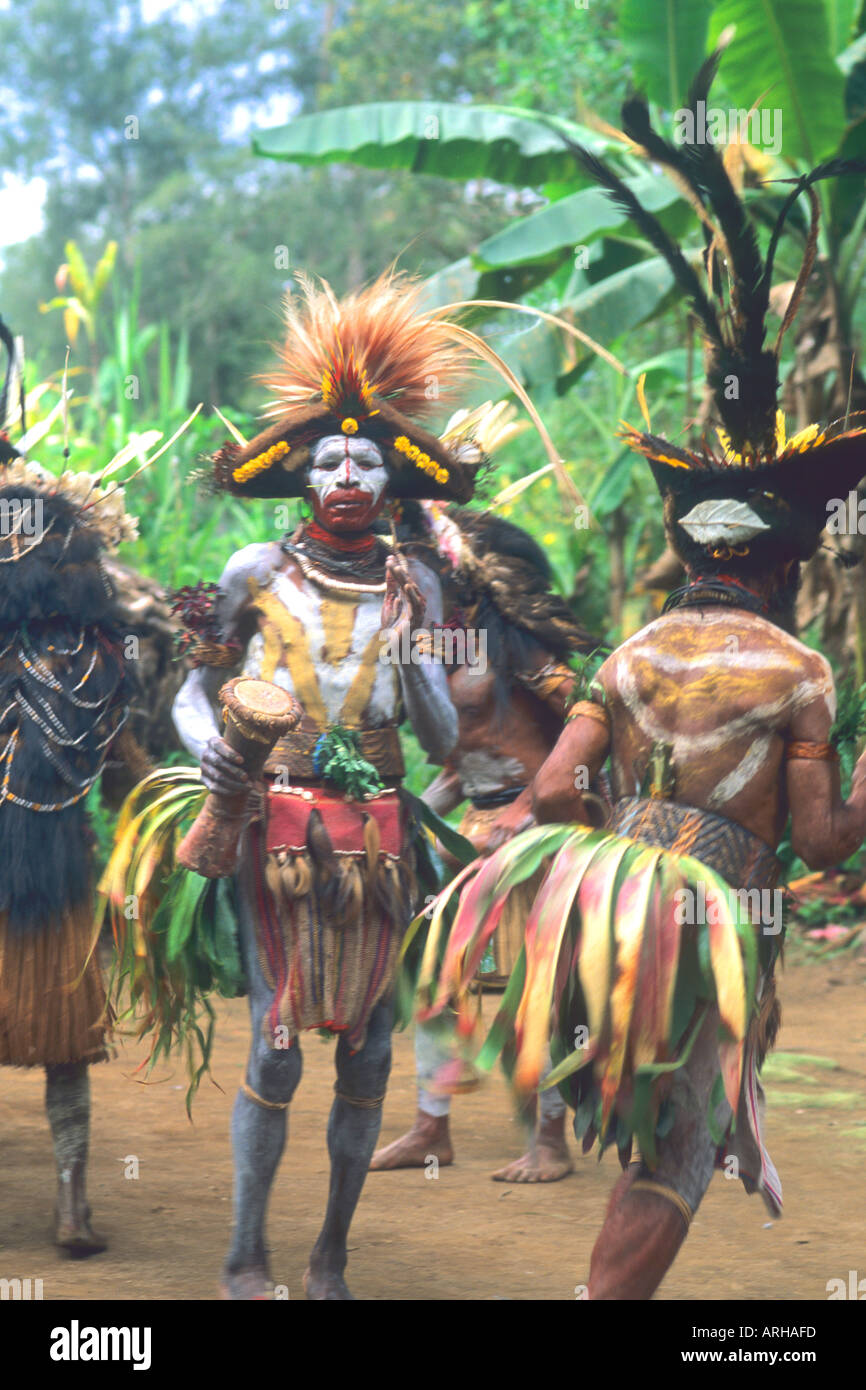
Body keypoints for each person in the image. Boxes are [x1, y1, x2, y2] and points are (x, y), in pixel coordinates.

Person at [420, 64, 866, 1298]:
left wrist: (564, 861)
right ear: (783, 561)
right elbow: (823, 845)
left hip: (602, 909)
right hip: (706, 922)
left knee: (652, 1114)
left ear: (691, 551)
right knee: (678, 1135)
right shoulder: (798, 667)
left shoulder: (627, 655)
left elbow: (558, 793)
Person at [171, 272, 489, 1300]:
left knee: (367, 1055)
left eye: (364, 460)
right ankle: (242, 1252)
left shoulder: (418, 586)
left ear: (391, 485)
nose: (346, 473)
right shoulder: (253, 570)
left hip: (383, 836)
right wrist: (210, 751)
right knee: (274, 1052)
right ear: (303, 482)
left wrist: (412, 657)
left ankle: (329, 1256)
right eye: (327, 461)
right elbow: (191, 693)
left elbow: (438, 728)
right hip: (274, 825)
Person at [371, 503, 599, 1181]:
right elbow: (461, 757)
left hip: (542, 837)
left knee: (541, 988)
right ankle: (429, 1129)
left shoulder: (520, 645)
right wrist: (415, 812)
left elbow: (590, 723)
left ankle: (551, 1140)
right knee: (435, 979)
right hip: (472, 837)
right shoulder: (437, 644)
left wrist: (530, 809)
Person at [0, 344, 136, 1254]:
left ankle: (74, 1203)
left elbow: (119, 731)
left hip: (54, 843)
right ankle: (70, 1203)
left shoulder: (80, 648)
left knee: (65, 1033)